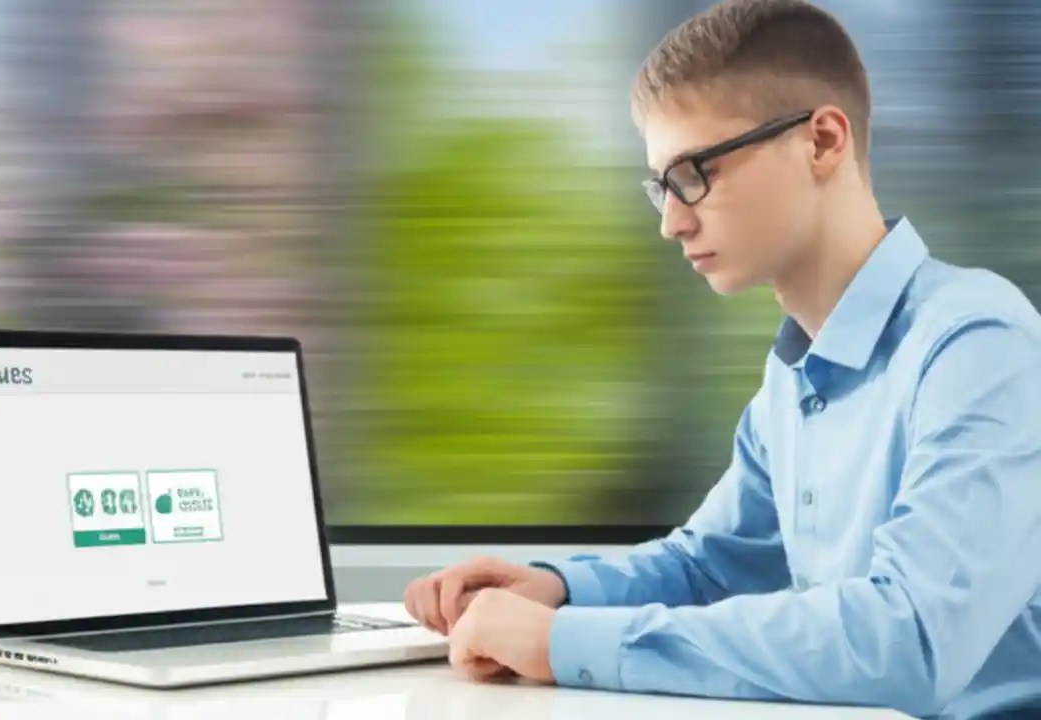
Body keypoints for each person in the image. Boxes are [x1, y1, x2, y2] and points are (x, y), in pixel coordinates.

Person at [402, 1, 1041, 718]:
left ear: (823, 141)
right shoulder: (793, 382)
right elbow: (708, 568)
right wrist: (557, 588)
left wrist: (565, 642)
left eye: (694, 173)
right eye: (659, 188)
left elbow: (911, 640)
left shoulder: (978, 344)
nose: (673, 221)